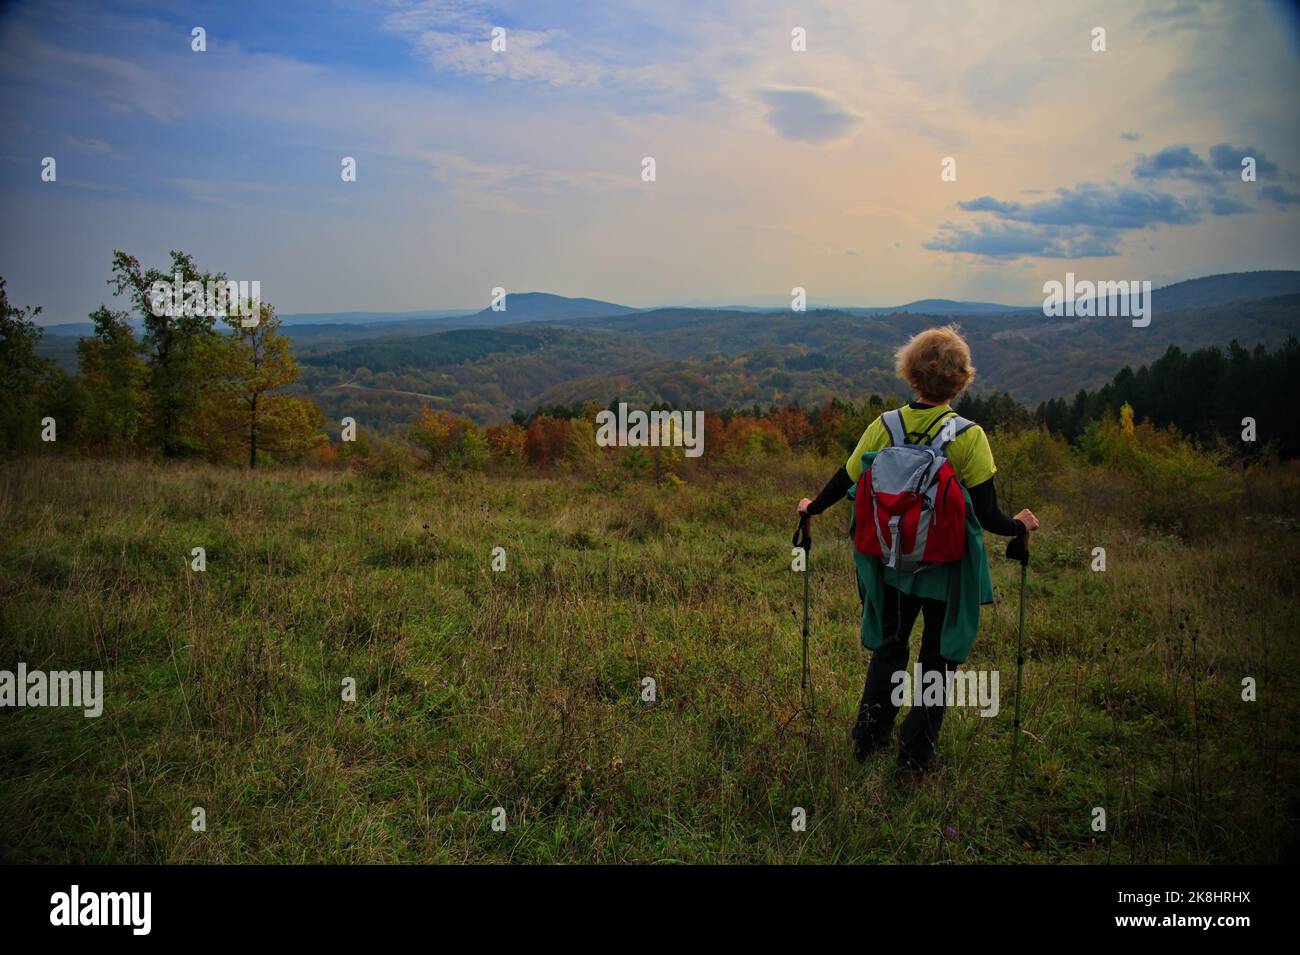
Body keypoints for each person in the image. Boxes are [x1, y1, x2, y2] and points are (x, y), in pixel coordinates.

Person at [797, 325, 1039, 775]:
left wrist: (813, 507)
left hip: (891, 564)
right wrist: (1019, 525)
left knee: (890, 650)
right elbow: (988, 515)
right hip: (945, 570)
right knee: (936, 662)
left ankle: (868, 740)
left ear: (911, 374)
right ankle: (914, 758)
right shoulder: (969, 436)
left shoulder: (885, 426)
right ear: (960, 380)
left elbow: (847, 477)